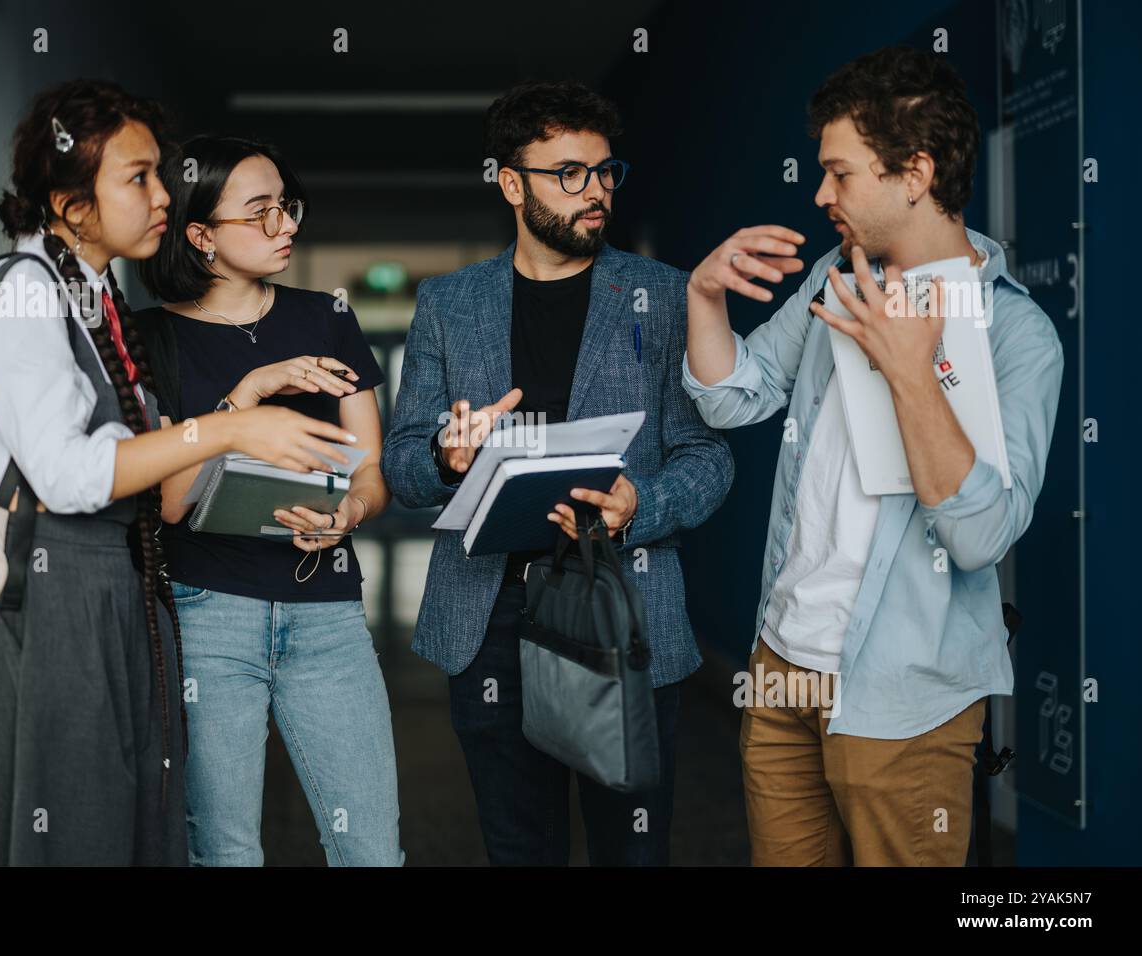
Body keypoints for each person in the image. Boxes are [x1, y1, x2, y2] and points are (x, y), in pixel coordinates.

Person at [0, 81, 354, 866]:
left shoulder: (94, 295)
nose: (163, 194)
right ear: (70, 205)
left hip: (114, 595)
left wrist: (242, 402)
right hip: (50, 601)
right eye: (138, 178)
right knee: (71, 830)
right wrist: (233, 426)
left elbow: (162, 480)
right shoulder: (29, 294)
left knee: (124, 826)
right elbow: (67, 477)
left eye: (158, 173)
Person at [681, 46, 1064, 865]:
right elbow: (731, 395)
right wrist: (703, 297)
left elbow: (981, 535)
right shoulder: (835, 275)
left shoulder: (1018, 335)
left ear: (915, 172)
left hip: (906, 697)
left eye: (839, 173)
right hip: (781, 663)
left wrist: (910, 374)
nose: (820, 194)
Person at [381, 80, 733, 866]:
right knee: (518, 847)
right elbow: (400, 463)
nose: (595, 192)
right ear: (512, 184)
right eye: (569, 174)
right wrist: (448, 455)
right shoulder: (448, 304)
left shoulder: (668, 297)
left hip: (623, 607)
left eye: (606, 172)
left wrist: (644, 502)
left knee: (631, 850)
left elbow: (710, 459)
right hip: (490, 617)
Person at [137, 135, 403, 867]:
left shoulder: (328, 317)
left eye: (287, 207)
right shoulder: (151, 339)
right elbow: (171, 501)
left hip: (328, 615)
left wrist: (351, 511)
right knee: (225, 854)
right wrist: (247, 394)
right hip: (207, 613)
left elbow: (371, 468)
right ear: (201, 237)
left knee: (372, 853)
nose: (286, 224)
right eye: (261, 213)